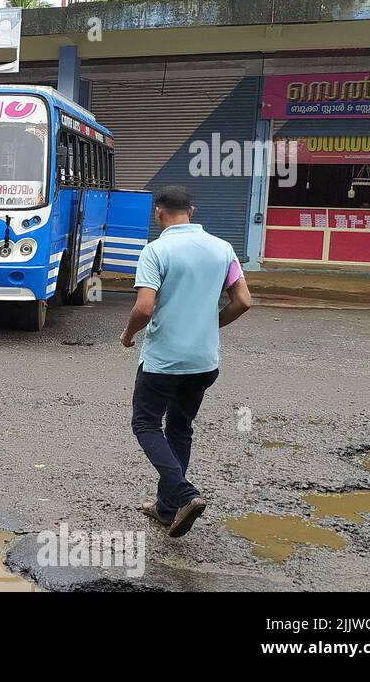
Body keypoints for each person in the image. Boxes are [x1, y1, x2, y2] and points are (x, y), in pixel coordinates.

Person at [121, 185, 252, 538]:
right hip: (203, 361)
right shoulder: (223, 249)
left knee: (146, 425)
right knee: (180, 428)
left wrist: (128, 334)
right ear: (191, 211)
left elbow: (144, 307)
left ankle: (184, 494)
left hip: (164, 360)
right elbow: (243, 301)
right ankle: (166, 509)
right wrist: (211, 324)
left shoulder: (156, 250)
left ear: (158, 213)